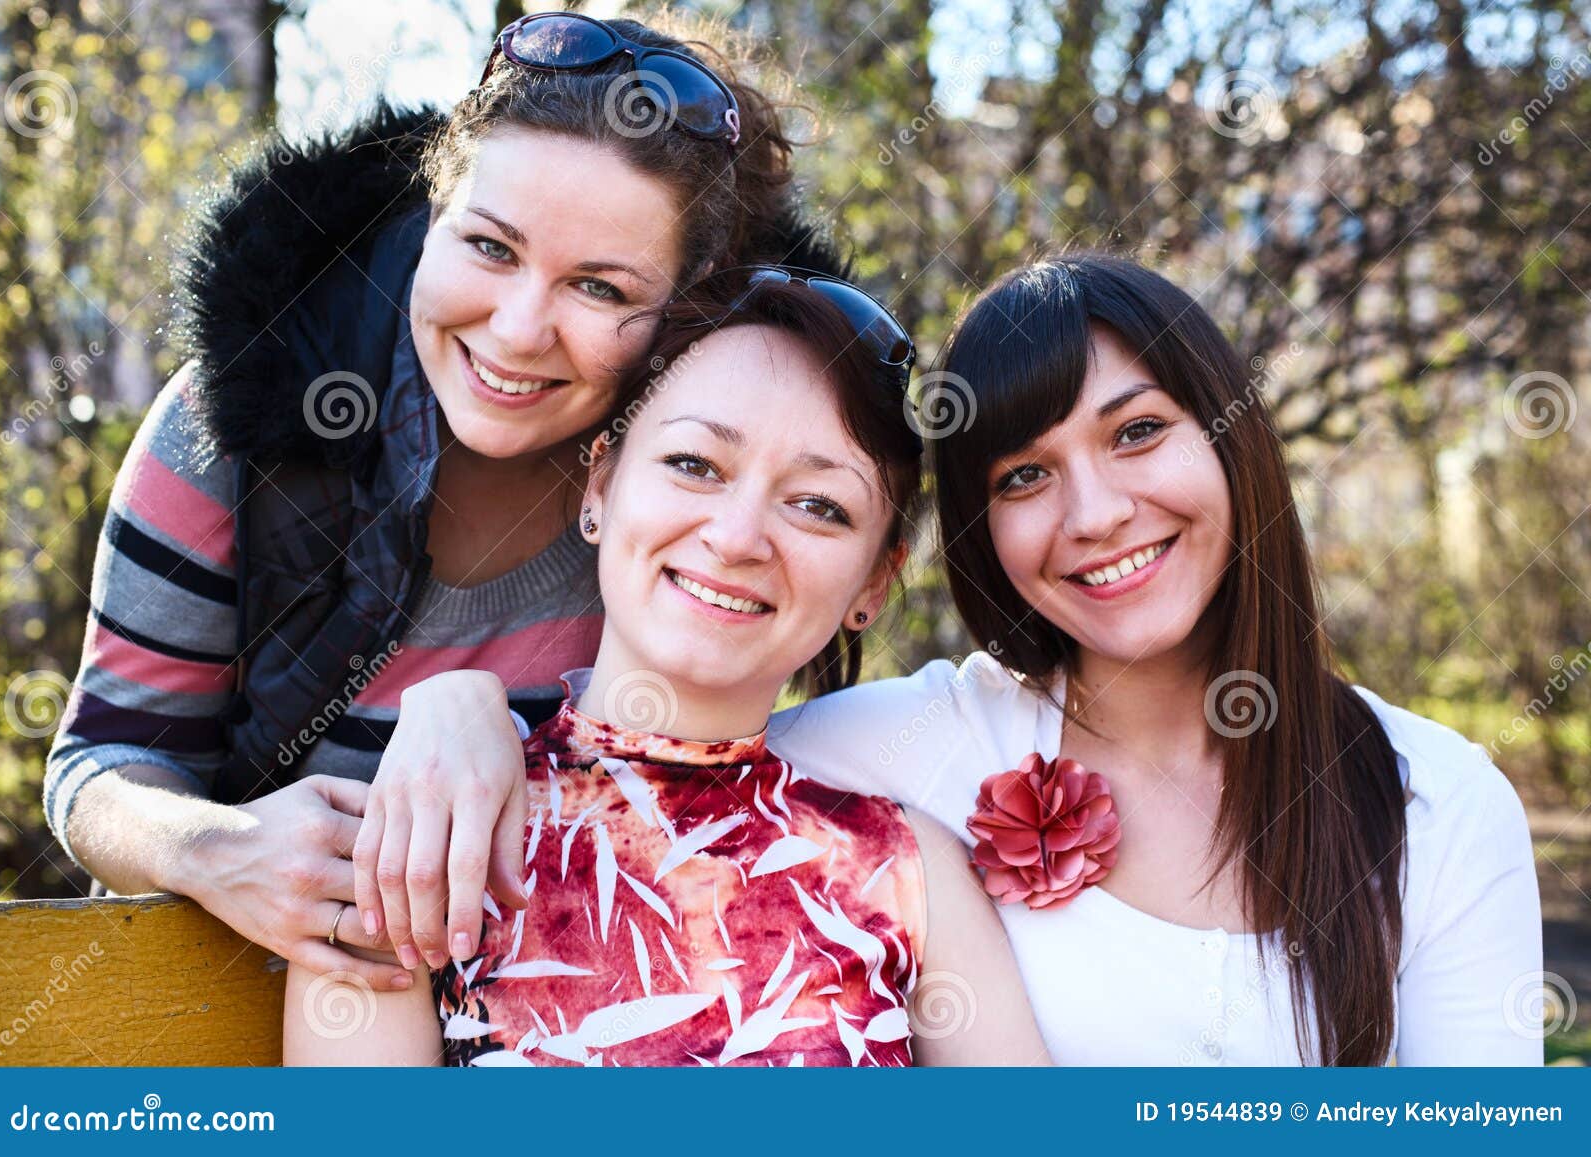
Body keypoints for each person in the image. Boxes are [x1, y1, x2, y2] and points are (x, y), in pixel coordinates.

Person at [371, 254, 1543, 1066]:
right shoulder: (895, 748)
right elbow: (671, 743)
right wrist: (454, 711)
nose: (1095, 512)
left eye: (1138, 432)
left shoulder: (1435, 801)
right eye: (1025, 473)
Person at [44, 9, 832, 993]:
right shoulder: (240, 421)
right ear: (433, 214)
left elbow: (703, 813)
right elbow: (101, 767)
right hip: (204, 1025)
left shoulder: (703, 521)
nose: (515, 328)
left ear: (686, 308)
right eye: (491, 248)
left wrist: (489, 728)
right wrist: (216, 847)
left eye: (596, 286)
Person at [283, 269, 1049, 1066]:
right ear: (602, 485)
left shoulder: (902, 874)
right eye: (695, 464)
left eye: (819, 505)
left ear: (875, 582)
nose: (739, 535)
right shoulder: (424, 838)